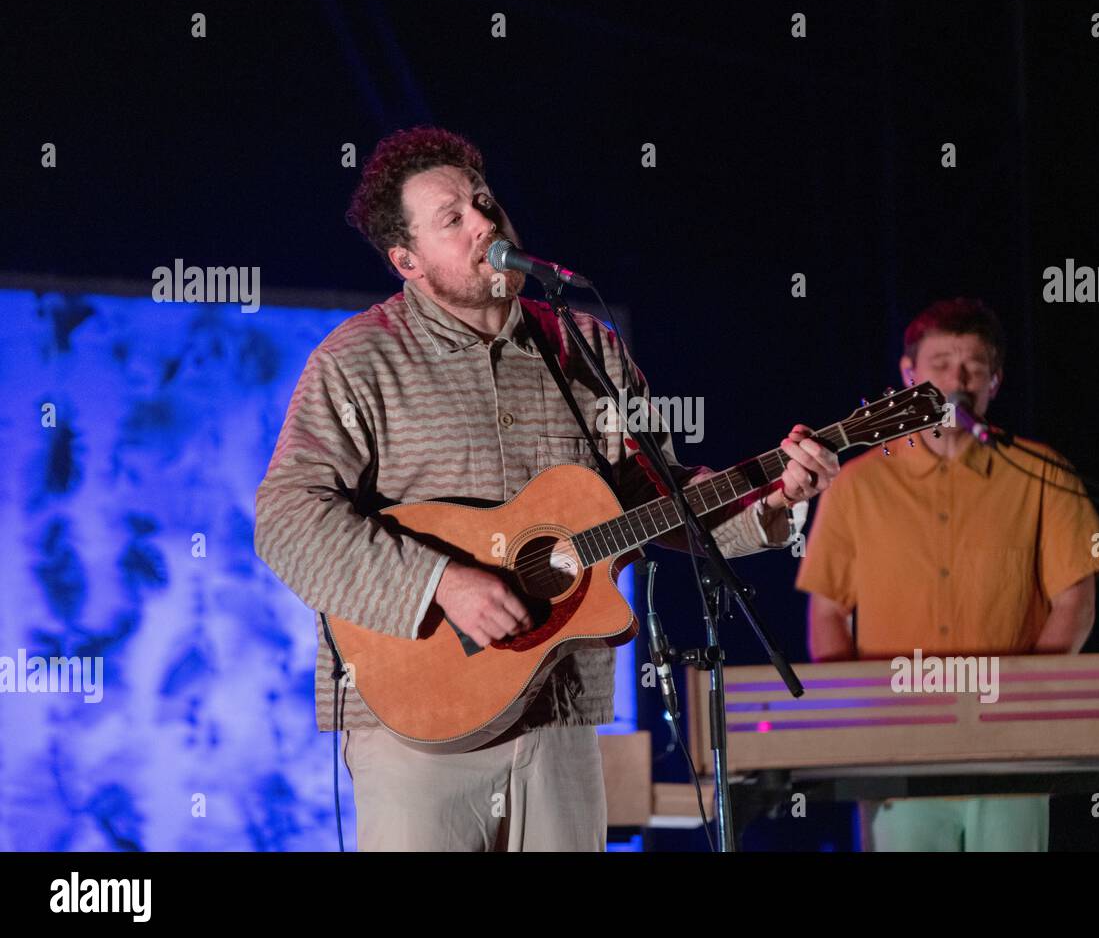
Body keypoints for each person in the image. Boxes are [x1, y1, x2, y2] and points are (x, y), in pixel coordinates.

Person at [253, 125, 839, 851]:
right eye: (453, 219)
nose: (484, 223)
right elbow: (286, 517)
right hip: (418, 730)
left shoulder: (586, 347)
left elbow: (661, 498)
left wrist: (774, 499)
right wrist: (441, 581)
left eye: (483, 201)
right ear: (407, 260)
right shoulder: (359, 360)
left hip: (561, 713)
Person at [795, 297, 1099, 851]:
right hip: (895, 747)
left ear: (995, 379)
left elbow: (1075, 599)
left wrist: (1028, 693)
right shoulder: (857, 485)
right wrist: (855, 712)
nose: (957, 378)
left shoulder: (1042, 472)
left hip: (1011, 747)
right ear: (908, 376)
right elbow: (827, 609)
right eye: (941, 363)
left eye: (972, 364)